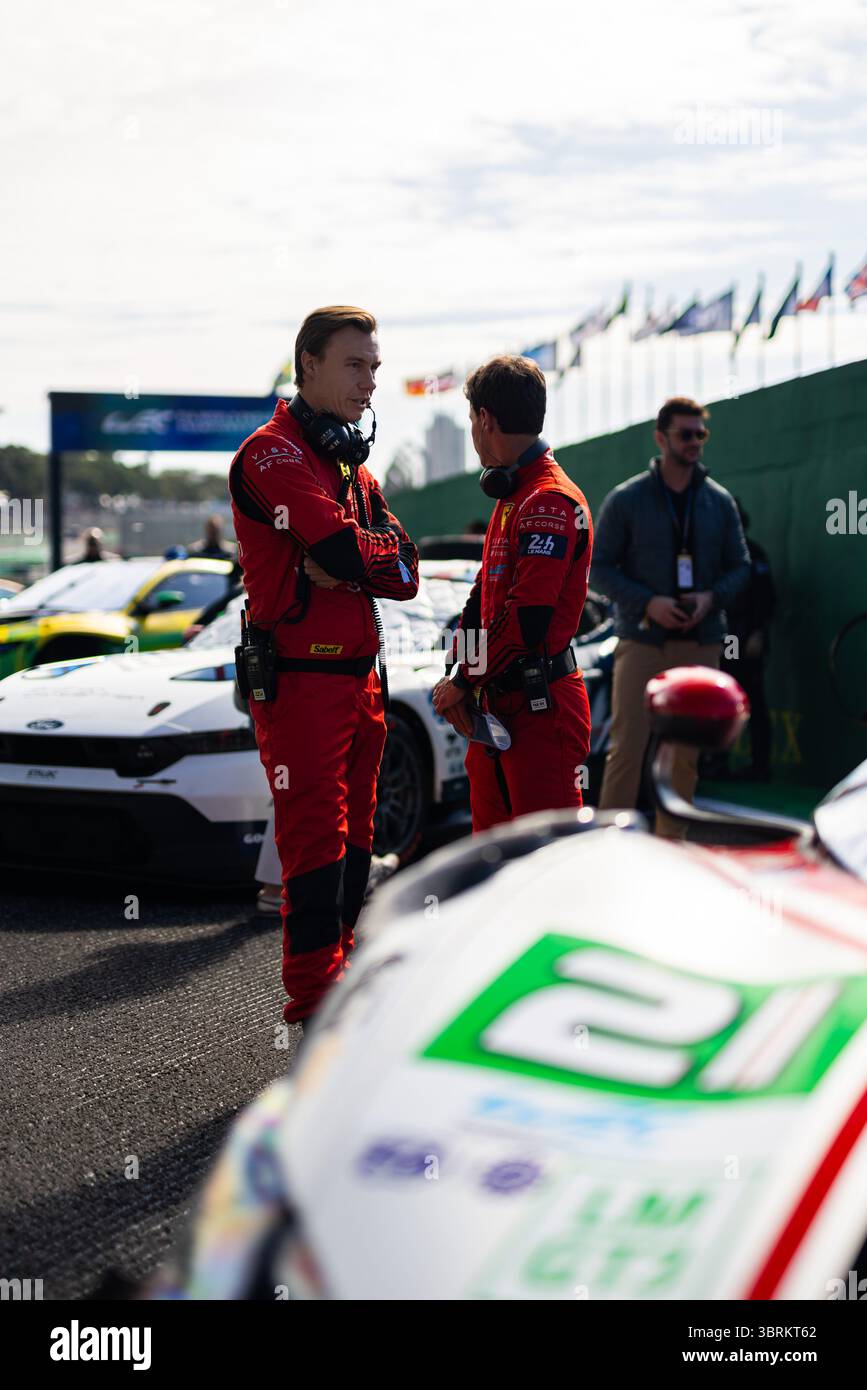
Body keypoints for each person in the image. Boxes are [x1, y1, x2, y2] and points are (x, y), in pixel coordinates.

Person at [228, 305, 418, 1029]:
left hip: (364, 682)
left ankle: (340, 1001)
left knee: (357, 850)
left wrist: (356, 555)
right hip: (303, 683)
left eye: (374, 366)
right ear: (307, 363)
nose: (370, 381)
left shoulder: (350, 468)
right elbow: (349, 556)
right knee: (313, 852)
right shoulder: (271, 455)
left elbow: (407, 570)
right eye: (354, 364)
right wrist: (357, 555)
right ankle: (312, 1011)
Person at [432, 355, 593, 831]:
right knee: (494, 864)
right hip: (496, 708)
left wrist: (461, 682)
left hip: (540, 713)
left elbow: (527, 621)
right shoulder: (512, 494)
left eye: (471, 420)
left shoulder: (547, 499)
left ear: (485, 418)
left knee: (545, 868)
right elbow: (481, 600)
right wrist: (460, 672)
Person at [591, 396, 750, 835]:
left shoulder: (719, 502)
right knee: (626, 749)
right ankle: (608, 848)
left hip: (701, 641)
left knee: (687, 755)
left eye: (701, 433)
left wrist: (709, 598)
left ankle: (671, 850)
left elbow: (741, 567)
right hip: (642, 640)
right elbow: (599, 567)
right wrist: (647, 602)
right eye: (686, 433)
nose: (695, 441)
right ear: (661, 438)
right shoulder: (627, 499)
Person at [718, 499, 776, 780]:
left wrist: (758, 634)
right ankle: (717, 763)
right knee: (719, 699)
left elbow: (768, 598)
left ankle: (760, 765)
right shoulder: (716, 556)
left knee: (754, 700)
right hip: (722, 638)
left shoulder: (754, 554)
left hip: (747, 638)